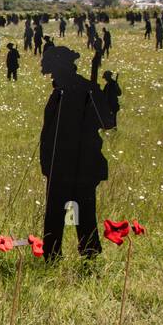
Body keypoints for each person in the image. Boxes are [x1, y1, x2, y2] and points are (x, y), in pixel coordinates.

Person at [39, 44, 114, 260]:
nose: (52, 75)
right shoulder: (66, 92)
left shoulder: (84, 90)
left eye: (54, 70)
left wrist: (97, 98)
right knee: (61, 215)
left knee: (78, 215)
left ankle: (86, 255)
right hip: (62, 166)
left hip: (79, 165)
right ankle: (54, 255)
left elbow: (107, 122)